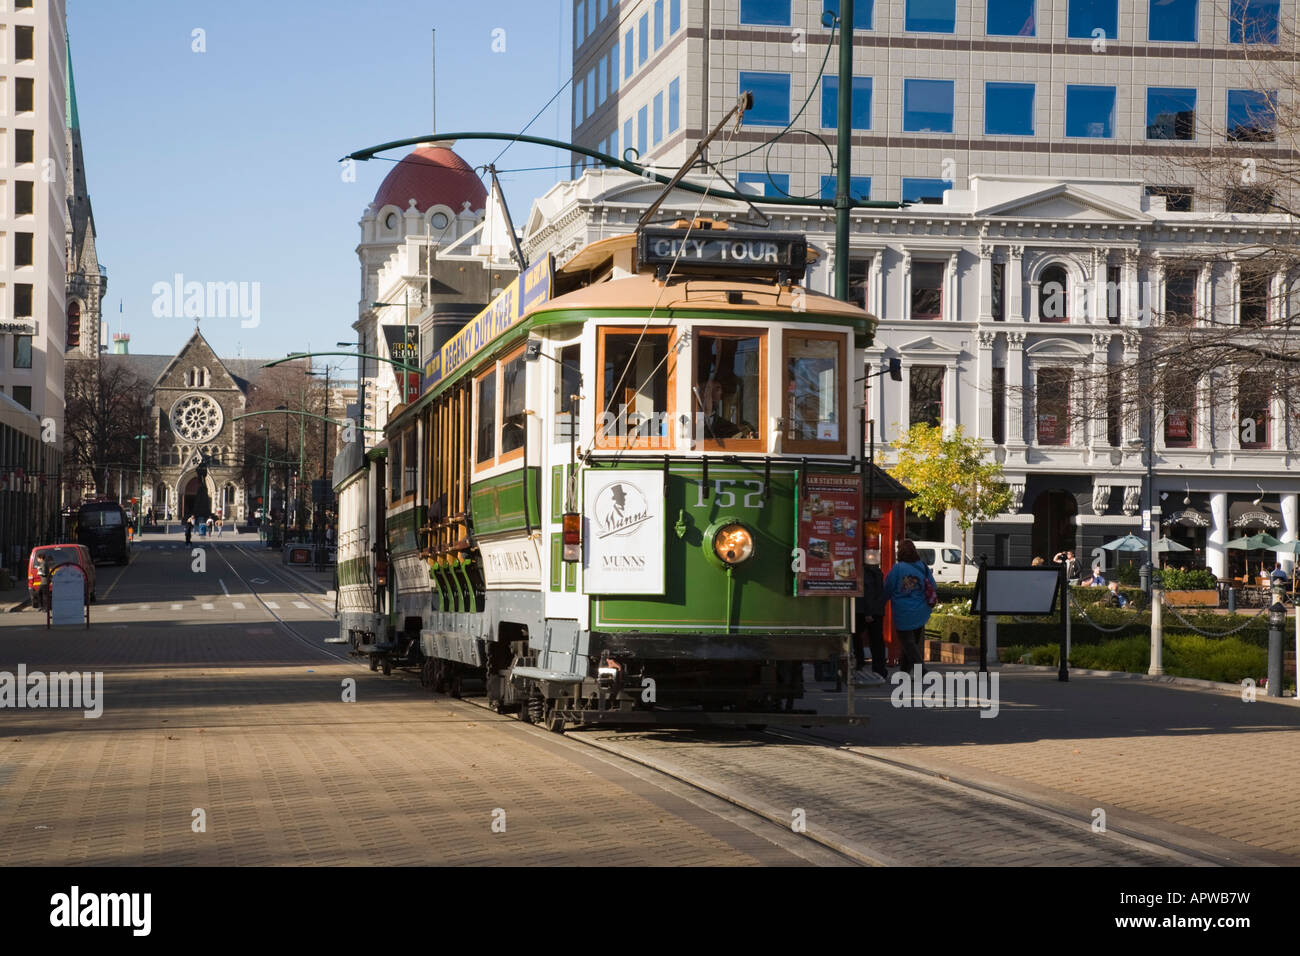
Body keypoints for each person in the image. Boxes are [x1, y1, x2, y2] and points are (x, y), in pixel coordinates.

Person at [884, 539, 937, 675]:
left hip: (903, 611)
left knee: (908, 643)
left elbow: (887, 588)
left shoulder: (897, 568)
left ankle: (921, 670)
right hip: (921, 610)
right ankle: (904, 672)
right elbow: (933, 586)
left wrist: (879, 605)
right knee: (911, 643)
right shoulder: (923, 566)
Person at [854, 561, 888, 684]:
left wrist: (868, 612)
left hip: (862, 610)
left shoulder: (861, 571)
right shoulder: (877, 571)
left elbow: (867, 592)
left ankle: (859, 662)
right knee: (877, 641)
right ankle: (879, 669)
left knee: (856, 636)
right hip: (876, 610)